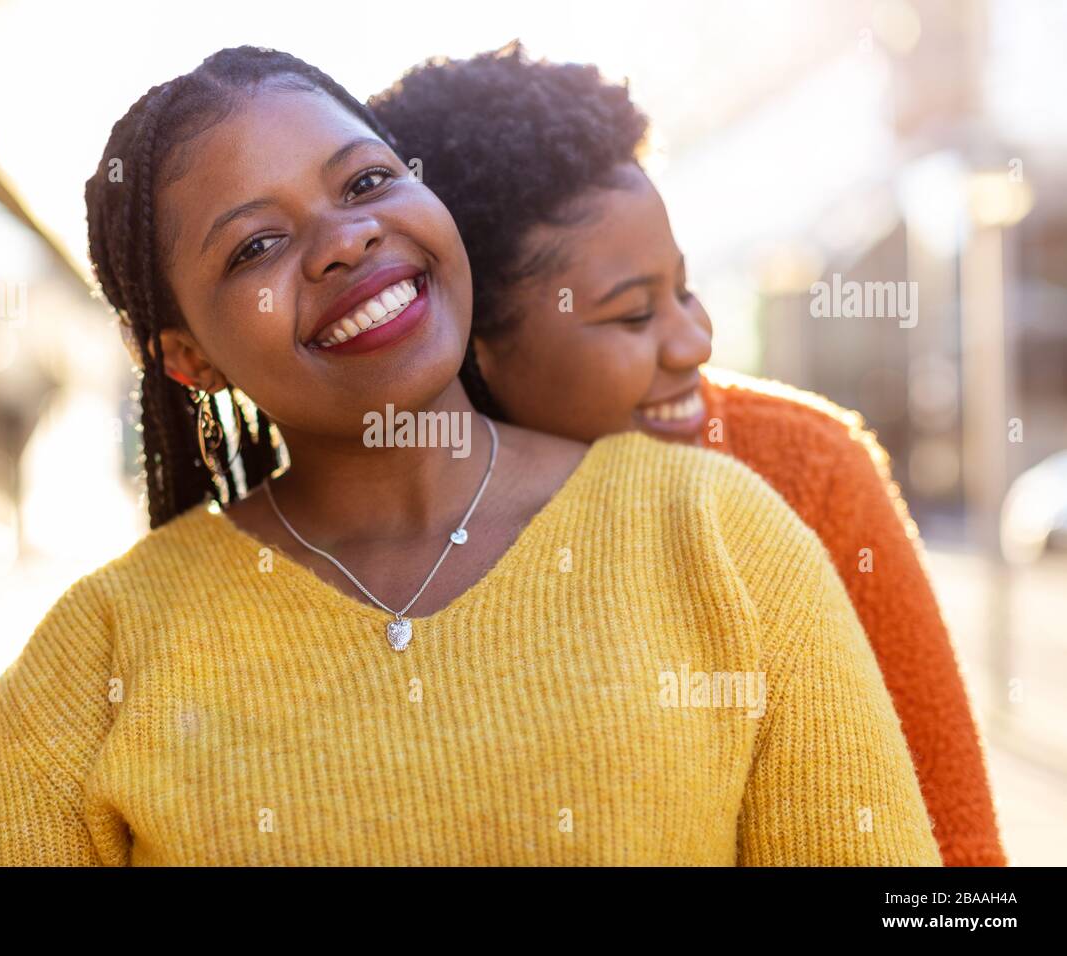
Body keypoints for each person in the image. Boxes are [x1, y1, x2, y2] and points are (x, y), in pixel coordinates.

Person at [0, 46, 941, 866]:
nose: (344, 240)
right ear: (186, 356)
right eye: (253, 247)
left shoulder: (723, 536)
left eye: (368, 181)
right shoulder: (88, 663)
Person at [369, 40, 1003, 866]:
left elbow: (958, 845)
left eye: (685, 288)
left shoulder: (798, 467)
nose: (695, 342)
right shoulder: (388, 530)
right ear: (472, 342)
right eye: (634, 316)